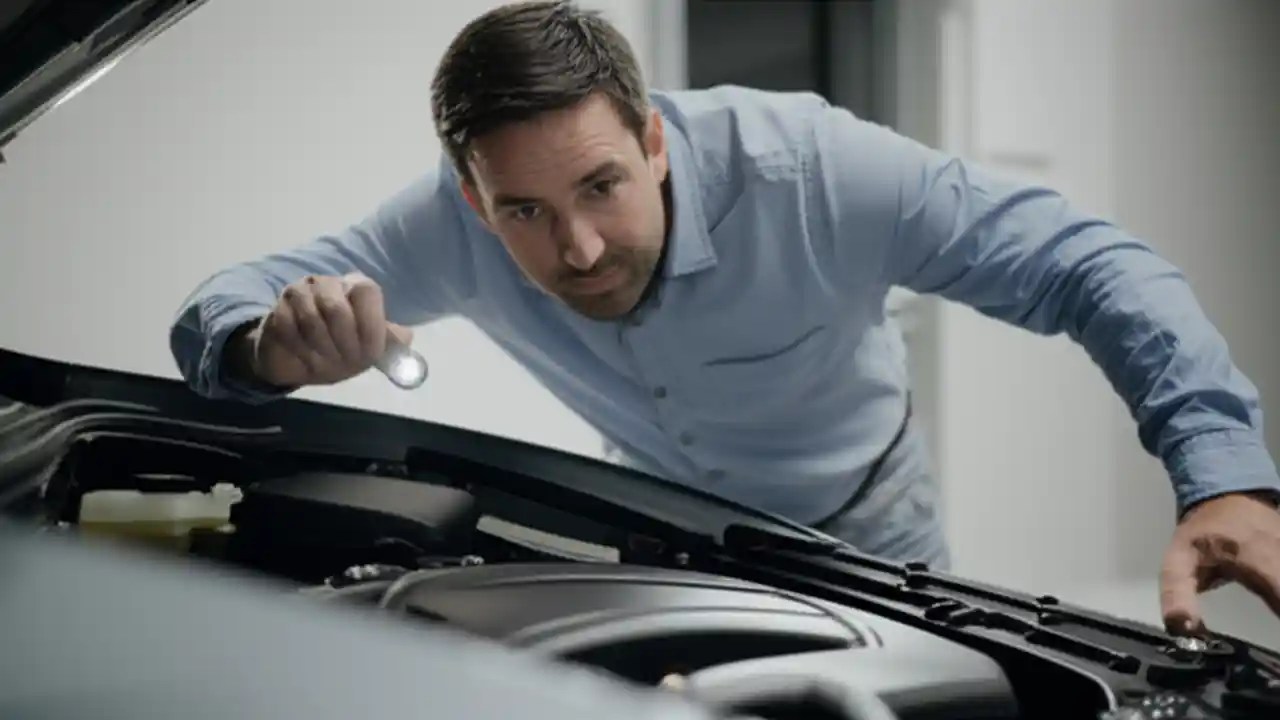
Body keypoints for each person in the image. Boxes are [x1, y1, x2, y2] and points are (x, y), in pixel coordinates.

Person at [169, 0, 1280, 634]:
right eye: (524, 211)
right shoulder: (456, 222)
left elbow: (1085, 263)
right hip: (665, 541)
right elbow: (223, 304)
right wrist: (264, 345)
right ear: (473, 199)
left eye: (601, 185)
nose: (578, 250)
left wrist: (1219, 471)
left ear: (654, 140)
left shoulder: (813, 170)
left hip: (873, 534)